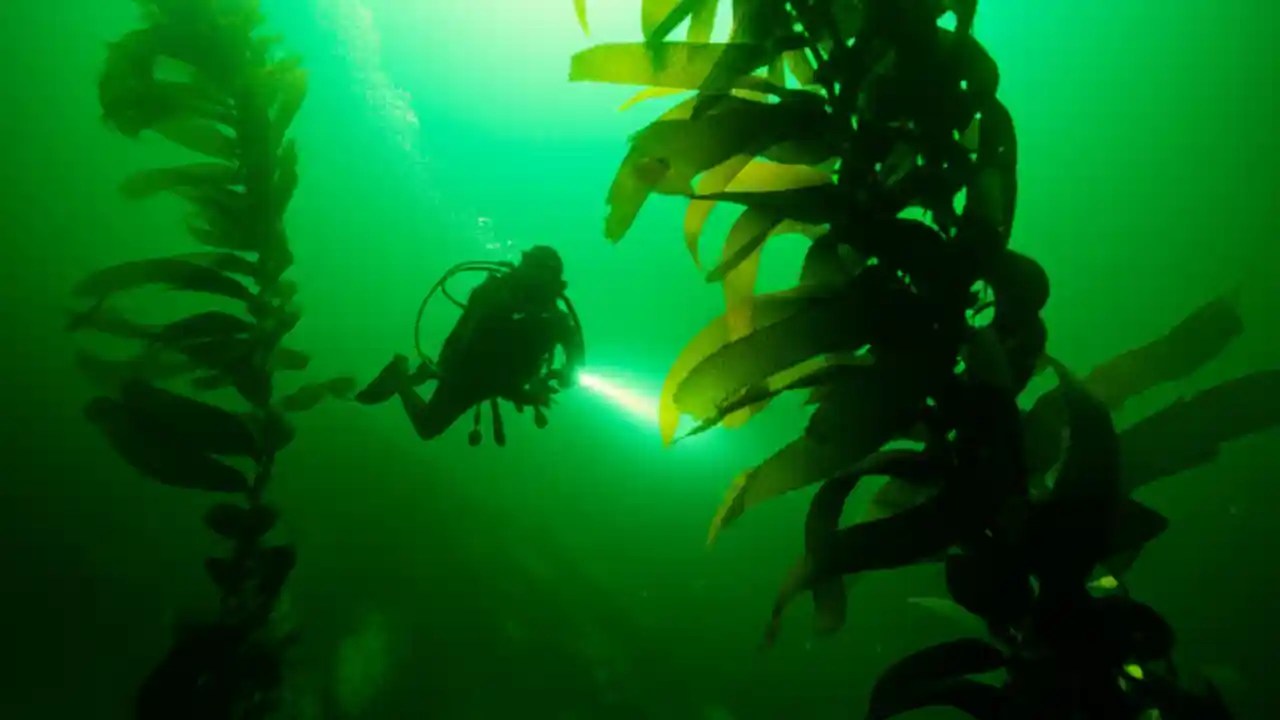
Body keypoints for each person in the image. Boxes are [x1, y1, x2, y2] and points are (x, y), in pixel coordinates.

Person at [355, 245, 585, 446]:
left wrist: (564, 375)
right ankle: (401, 377)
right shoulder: (495, 295)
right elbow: (483, 352)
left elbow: (575, 357)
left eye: (541, 271)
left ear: (553, 278)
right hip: (466, 373)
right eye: (530, 266)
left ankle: (417, 375)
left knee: (428, 426)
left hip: (494, 381)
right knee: (427, 426)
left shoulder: (556, 319)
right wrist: (522, 393)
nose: (533, 275)